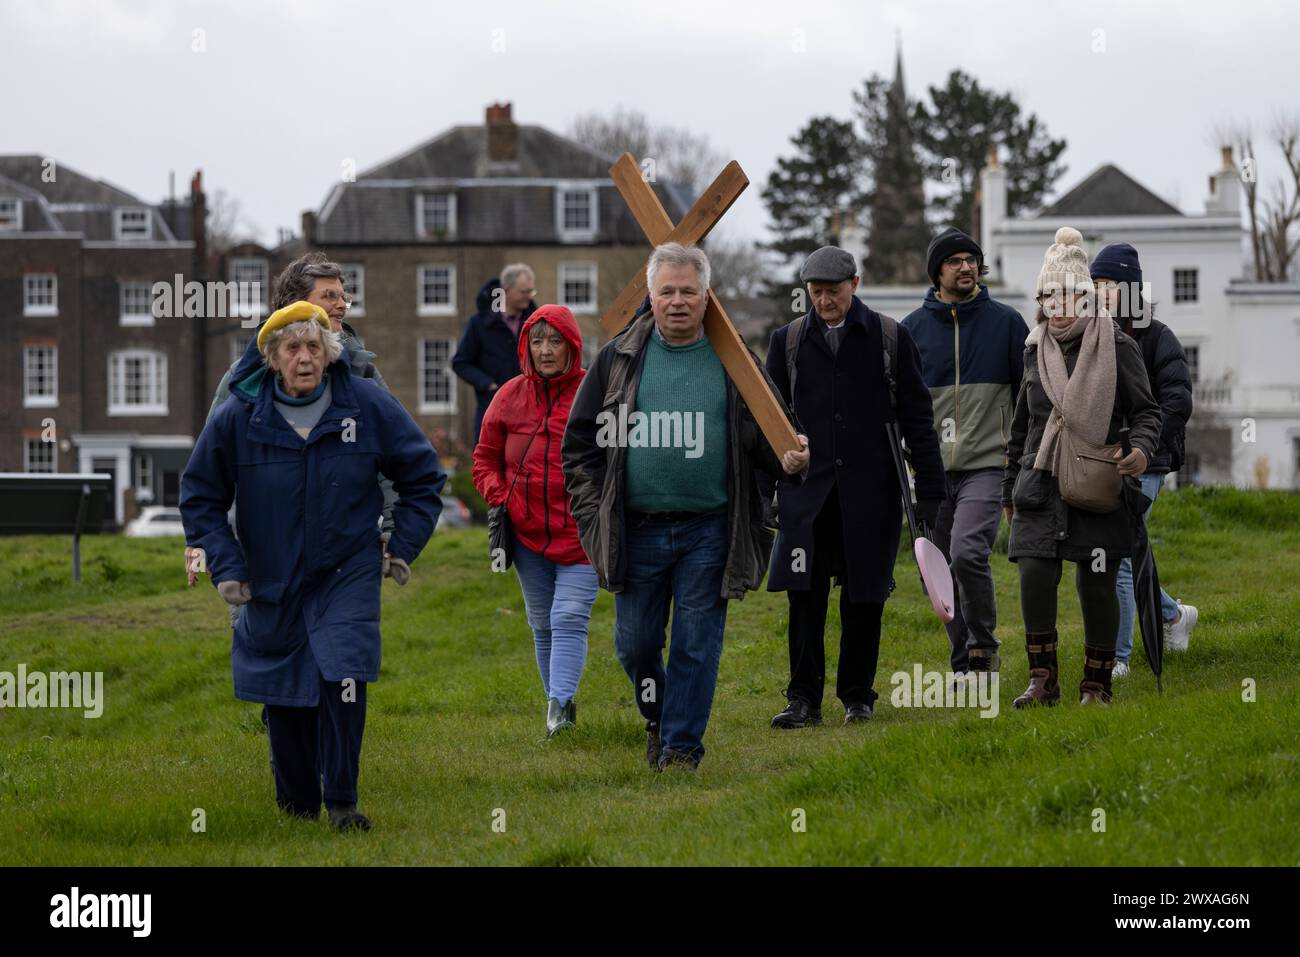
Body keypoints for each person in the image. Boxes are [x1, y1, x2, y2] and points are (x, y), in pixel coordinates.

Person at [180, 301, 447, 829]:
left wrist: (400, 543)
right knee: (284, 688)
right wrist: (227, 564)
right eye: (292, 349)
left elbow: (423, 476)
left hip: (346, 569)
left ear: (328, 354)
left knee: (344, 673)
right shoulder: (239, 414)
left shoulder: (365, 405)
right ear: (273, 360)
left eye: (313, 348)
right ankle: (298, 803)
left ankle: (343, 802)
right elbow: (201, 495)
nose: (304, 359)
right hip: (270, 572)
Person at [562, 242, 809, 770]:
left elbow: (770, 438)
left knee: (696, 644)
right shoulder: (618, 359)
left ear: (706, 297)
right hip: (637, 529)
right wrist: (591, 514)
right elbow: (579, 445)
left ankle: (680, 748)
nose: (677, 301)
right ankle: (658, 715)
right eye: (667, 291)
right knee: (635, 645)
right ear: (649, 297)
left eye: (688, 291)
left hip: (709, 529)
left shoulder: (735, 362)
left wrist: (790, 458)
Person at [765, 245, 946, 728]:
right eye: (815, 293)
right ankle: (802, 699)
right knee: (804, 598)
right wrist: (768, 489)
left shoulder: (891, 338)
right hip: (808, 495)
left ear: (856, 285)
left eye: (833, 291)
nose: (824, 301)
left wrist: (930, 490)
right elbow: (768, 421)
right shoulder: (786, 341)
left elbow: (918, 419)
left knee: (864, 596)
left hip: (872, 494)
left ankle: (857, 695)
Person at [1003, 227, 1161, 707]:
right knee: (1033, 574)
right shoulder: (1033, 349)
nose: (1058, 305)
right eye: (1049, 296)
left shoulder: (1116, 346)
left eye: (1067, 295)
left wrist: (1140, 450)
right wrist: (1010, 488)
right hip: (1039, 481)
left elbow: (1148, 412)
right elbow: (1020, 425)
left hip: (1096, 479)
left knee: (1095, 580)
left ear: (1086, 298)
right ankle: (1042, 681)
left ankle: (1096, 685)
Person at [903, 228, 1029, 685]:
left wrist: (1023, 464)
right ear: (937, 271)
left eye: (971, 259)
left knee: (966, 552)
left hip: (987, 464)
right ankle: (965, 664)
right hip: (932, 473)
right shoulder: (910, 332)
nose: (966, 266)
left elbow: (1029, 398)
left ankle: (984, 649)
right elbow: (901, 405)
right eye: (954, 260)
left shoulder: (1008, 323)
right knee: (933, 572)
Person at [472, 305, 597, 736]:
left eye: (555, 341)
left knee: (568, 616)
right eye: (537, 341)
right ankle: (559, 708)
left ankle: (558, 708)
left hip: (580, 533)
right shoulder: (508, 395)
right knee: (542, 622)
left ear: (572, 347)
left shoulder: (592, 393)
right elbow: (484, 460)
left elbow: (617, 456)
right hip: (526, 535)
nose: (545, 351)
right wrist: (501, 495)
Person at [1089, 243, 1197, 676]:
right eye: (1094, 284)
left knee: (1117, 551)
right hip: (1102, 461)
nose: (1100, 292)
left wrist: (1142, 445)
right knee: (1123, 551)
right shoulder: (1091, 333)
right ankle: (1173, 615)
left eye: (1109, 284)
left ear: (1130, 287)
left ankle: (1118, 658)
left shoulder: (1157, 336)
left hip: (1147, 463)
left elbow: (1178, 402)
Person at [453, 263, 538, 443]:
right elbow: (460, 362)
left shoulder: (537, 323)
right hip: (491, 411)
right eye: (524, 292)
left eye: (531, 291)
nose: (529, 296)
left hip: (530, 413)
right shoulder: (478, 324)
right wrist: (487, 384)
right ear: (507, 291)